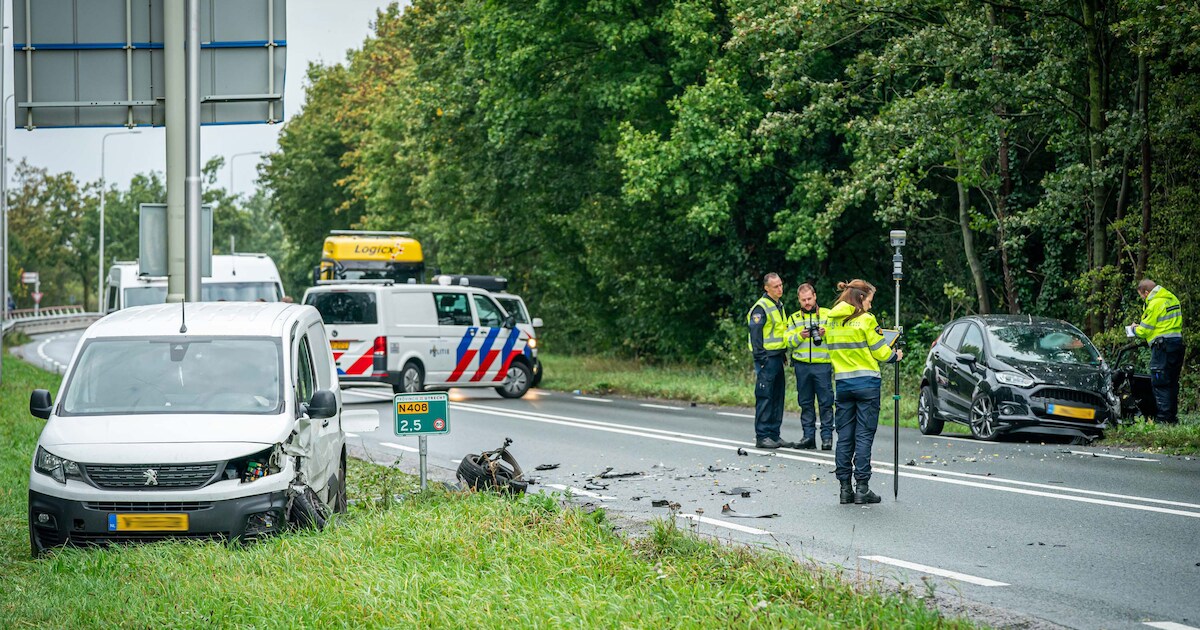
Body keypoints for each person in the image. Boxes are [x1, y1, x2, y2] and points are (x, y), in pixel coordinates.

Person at [826, 279, 901, 504]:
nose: (870, 305)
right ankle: (862, 488)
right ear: (860, 298)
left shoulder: (831, 321)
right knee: (864, 436)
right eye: (869, 300)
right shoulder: (866, 320)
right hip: (867, 384)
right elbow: (879, 351)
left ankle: (844, 489)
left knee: (844, 437)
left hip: (843, 385)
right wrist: (894, 355)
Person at [747, 272, 795, 449]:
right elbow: (756, 335)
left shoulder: (778, 305)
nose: (780, 289)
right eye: (776, 286)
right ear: (766, 288)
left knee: (777, 396)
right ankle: (762, 436)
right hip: (766, 358)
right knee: (765, 396)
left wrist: (782, 353)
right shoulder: (761, 307)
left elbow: (778, 333)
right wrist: (761, 358)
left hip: (776, 356)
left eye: (781, 285)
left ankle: (774, 434)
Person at [785, 283, 833, 450]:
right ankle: (808, 437)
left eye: (809, 299)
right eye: (803, 300)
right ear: (799, 300)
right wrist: (800, 336)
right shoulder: (793, 318)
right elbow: (787, 341)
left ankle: (827, 438)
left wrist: (825, 333)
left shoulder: (827, 314)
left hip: (822, 365)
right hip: (802, 366)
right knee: (805, 403)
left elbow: (837, 337)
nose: (807, 302)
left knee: (826, 402)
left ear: (815, 296)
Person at [1132, 279, 1184, 423]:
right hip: (1177, 344)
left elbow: (1144, 330)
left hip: (1162, 347)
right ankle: (1172, 418)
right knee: (1172, 382)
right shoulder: (1172, 298)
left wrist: (1134, 329)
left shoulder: (1155, 303)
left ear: (1146, 292)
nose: (1143, 299)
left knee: (1160, 382)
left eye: (1142, 296)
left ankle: (1163, 419)